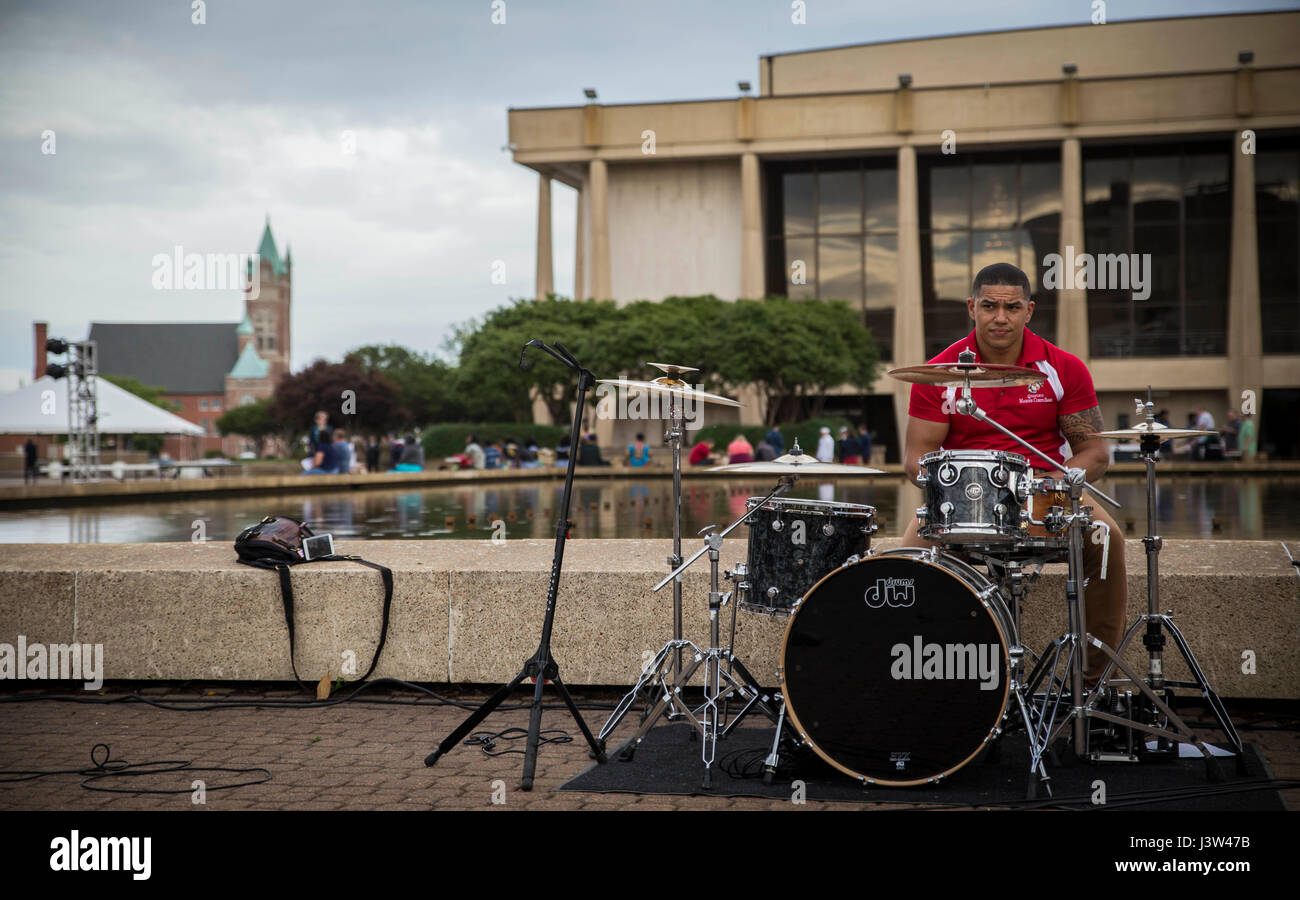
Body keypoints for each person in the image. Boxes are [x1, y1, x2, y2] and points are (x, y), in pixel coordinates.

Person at [901, 262, 1126, 685]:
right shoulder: (939, 372)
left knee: (1106, 537)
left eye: (1011, 307)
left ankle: (1097, 682)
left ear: (1029, 310)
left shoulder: (1064, 368)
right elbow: (916, 458)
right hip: (964, 492)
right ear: (971, 307)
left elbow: (1094, 453)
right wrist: (950, 482)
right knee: (906, 561)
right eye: (989, 306)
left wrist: (1052, 484)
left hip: (1046, 490)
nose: (1000, 317)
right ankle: (920, 680)